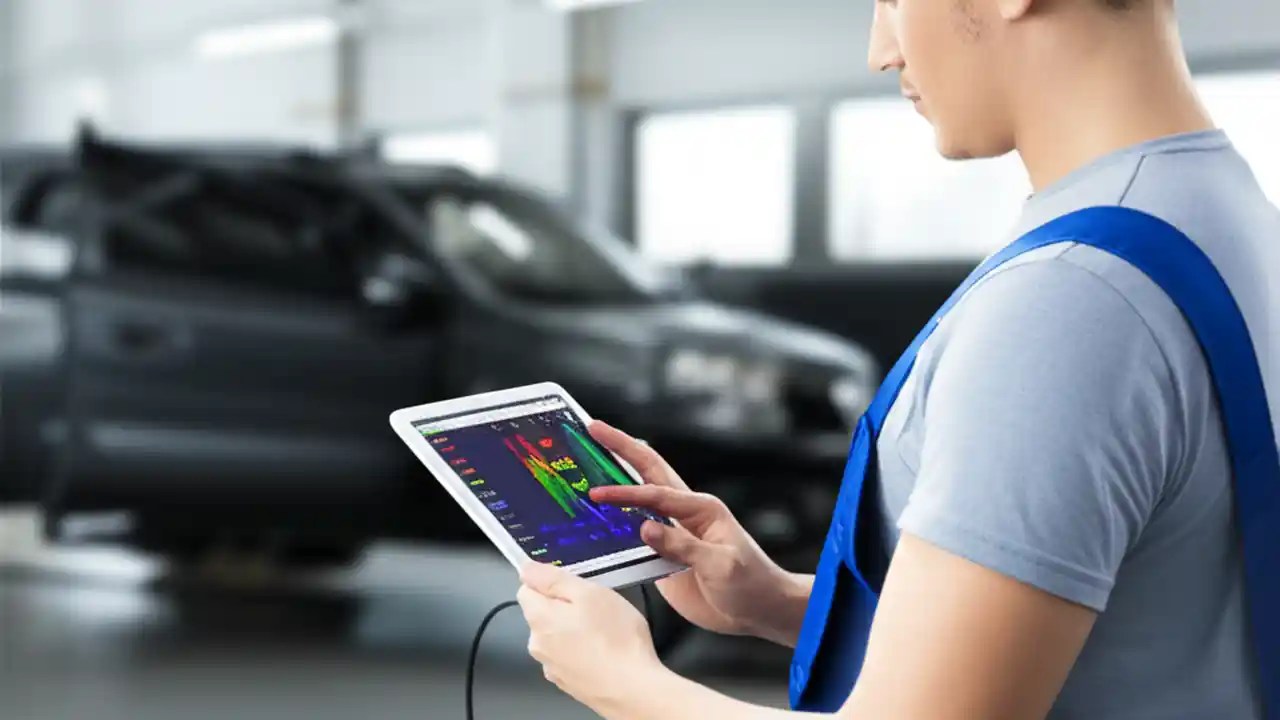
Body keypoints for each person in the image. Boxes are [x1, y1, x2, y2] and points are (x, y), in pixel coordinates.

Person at [515, 0, 1280, 717]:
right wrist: (776, 600)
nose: (880, 50)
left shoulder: (1071, 299)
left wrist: (626, 683)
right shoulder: (1227, 215)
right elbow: (1157, 615)